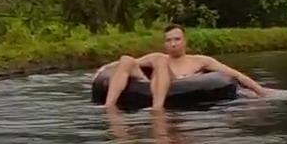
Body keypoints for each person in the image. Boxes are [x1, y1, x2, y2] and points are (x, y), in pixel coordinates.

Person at [99, 23, 272, 110]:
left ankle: (157, 109)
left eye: (177, 39)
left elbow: (236, 75)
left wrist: (261, 92)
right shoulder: (158, 57)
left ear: (184, 41)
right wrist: (104, 69)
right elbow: (127, 63)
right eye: (168, 40)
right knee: (127, 58)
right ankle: (109, 106)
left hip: (180, 89)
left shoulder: (200, 61)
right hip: (152, 85)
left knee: (159, 62)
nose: (173, 44)